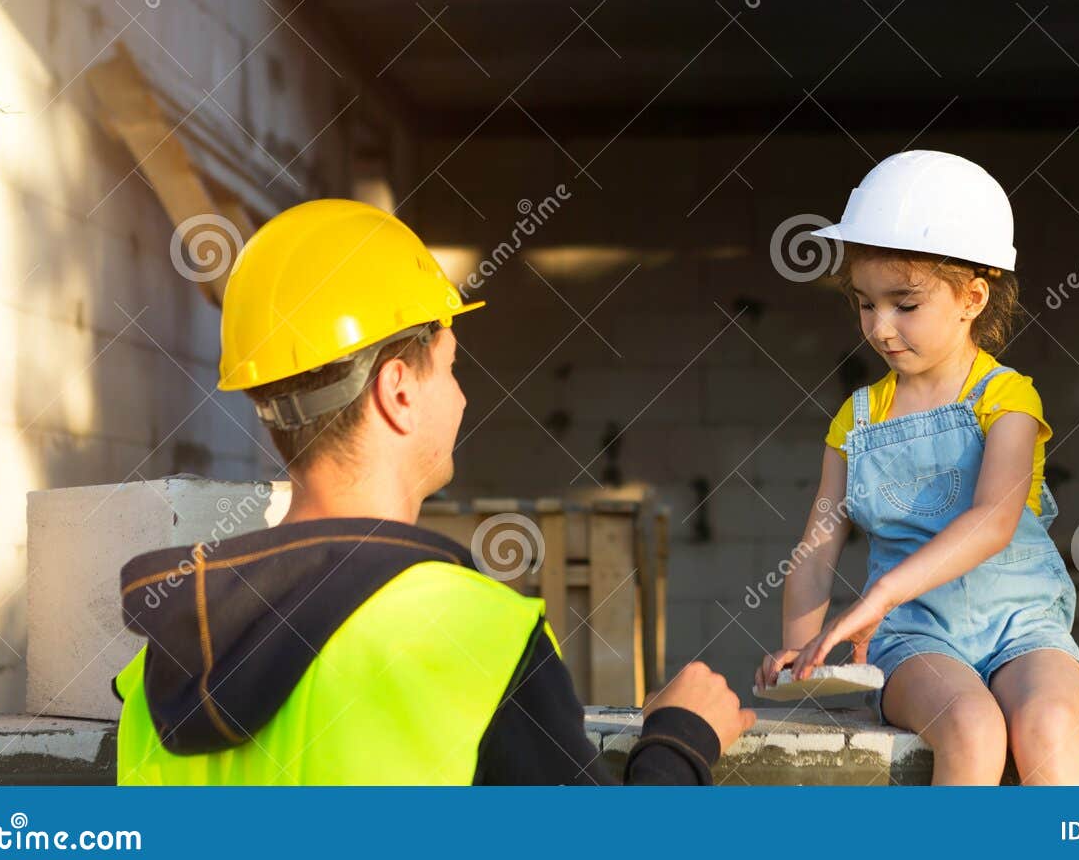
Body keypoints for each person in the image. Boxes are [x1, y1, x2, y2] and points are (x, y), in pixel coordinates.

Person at [113, 199, 753, 785]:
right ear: (398, 391)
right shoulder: (472, 636)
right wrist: (681, 740)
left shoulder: (160, 673)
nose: (464, 395)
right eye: (450, 367)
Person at [754, 152, 1079, 785]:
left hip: (1024, 627)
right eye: (864, 304)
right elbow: (817, 548)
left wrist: (879, 593)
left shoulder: (1007, 397)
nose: (880, 328)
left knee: (1046, 722)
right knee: (972, 726)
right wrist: (803, 646)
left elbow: (993, 520)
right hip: (912, 638)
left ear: (971, 298)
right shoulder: (855, 422)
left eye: (904, 305)